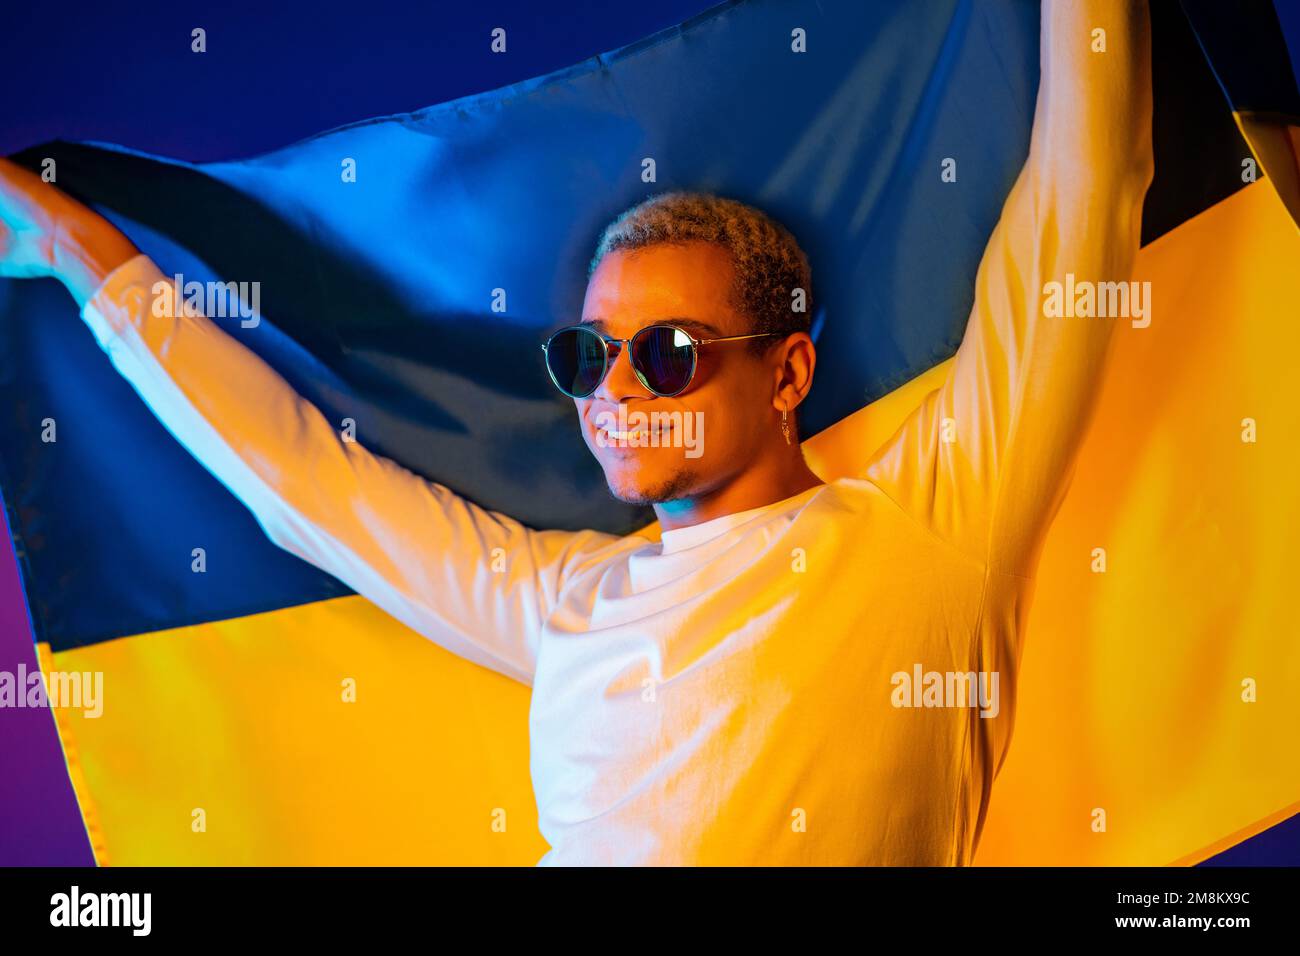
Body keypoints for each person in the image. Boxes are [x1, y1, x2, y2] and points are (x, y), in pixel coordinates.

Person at [0, 0, 1153, 865]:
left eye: (668, 353)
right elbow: (304, 484)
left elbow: (1084, 189)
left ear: (787, 368)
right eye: (588, 357)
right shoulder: (563, 604)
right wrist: (72, 251)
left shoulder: (932, 527)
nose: (616, 392)